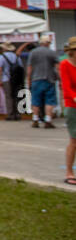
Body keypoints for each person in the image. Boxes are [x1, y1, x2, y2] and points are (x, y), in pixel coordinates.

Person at [27, 34, 59, 129]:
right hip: (49, 79)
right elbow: (57, 67)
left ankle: (35, 119)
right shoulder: (52, 52)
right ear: (48, 43)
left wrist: (29, 80)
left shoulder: (33, 52)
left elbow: (29, 68)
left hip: (36, 79)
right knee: (49, 100)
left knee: (36, 100)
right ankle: (48, 120)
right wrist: (59, 79)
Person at [59, 39, 76, 186]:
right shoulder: (65, 64)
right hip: (72, 106)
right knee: (74, 140)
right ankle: (69, 172)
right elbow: (67, 87)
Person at [0, 42, 23, 121]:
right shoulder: (16, 56)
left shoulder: (1, 57)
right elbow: (21, 67)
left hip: (6, 78)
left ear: (4, 48)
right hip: (16, 79)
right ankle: (17, 114)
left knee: (8, 97)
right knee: (16, 96)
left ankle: (10, 114)